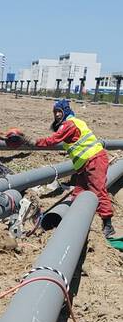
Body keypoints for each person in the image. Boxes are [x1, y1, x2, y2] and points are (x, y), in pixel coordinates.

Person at [34, 100, 115, 239]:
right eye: (55, 112)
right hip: (85, 165)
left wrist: (33, 142)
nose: (57, 115)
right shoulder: (72, 123)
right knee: (78, 193)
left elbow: (53, 140)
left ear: (65, 111)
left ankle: (108, 225)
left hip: (94, 160)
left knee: (98, 191)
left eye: (59, 111)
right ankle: (73, 223)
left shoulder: (69, 124)